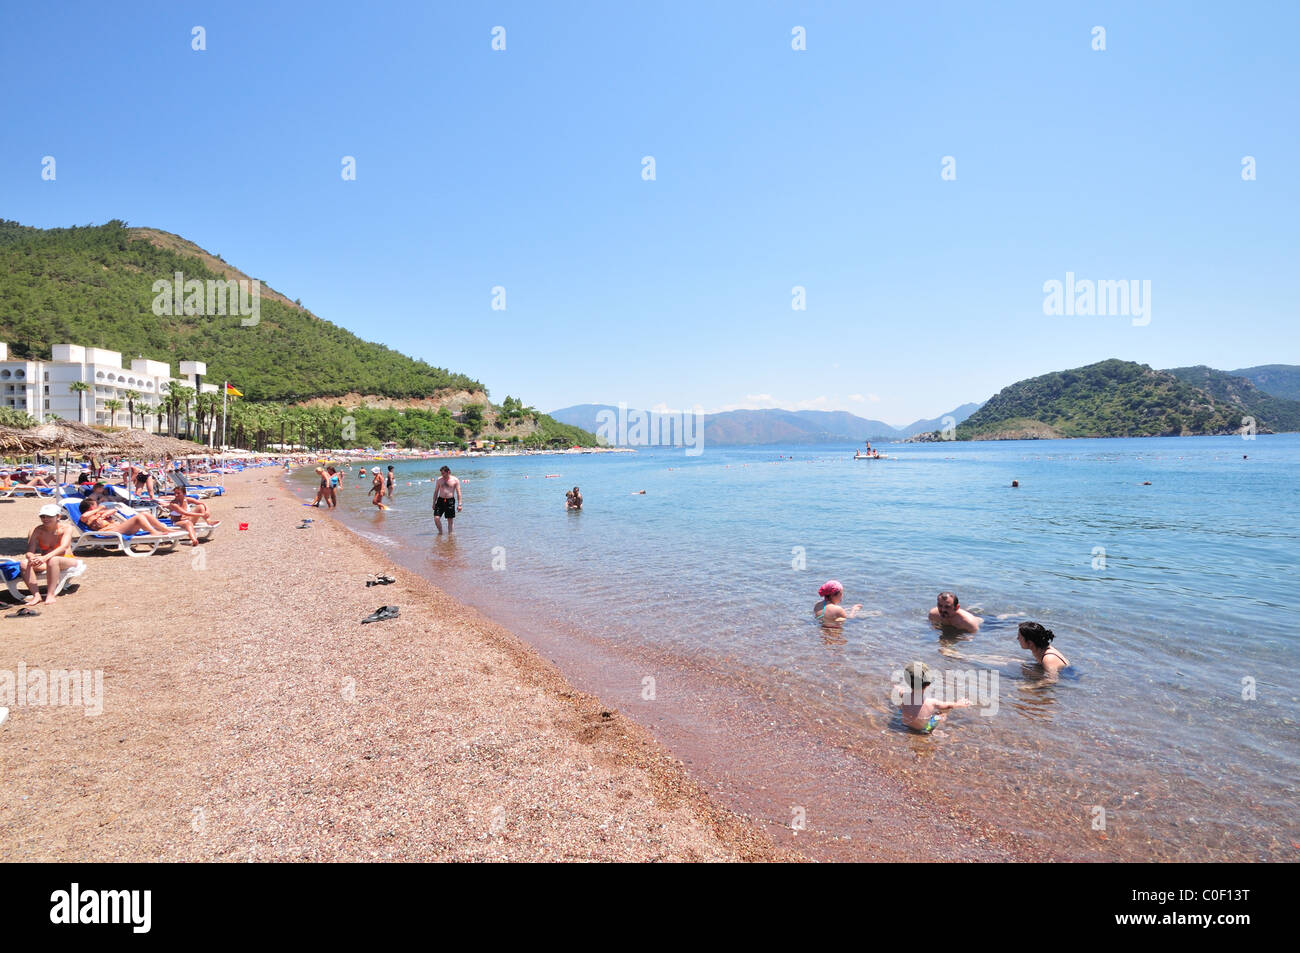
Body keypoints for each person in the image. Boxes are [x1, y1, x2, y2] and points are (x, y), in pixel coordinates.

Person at [19, 504, 78, 606]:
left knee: (53, 560)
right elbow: (29, 551)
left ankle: (50, 594)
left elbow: (63, 547)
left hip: (66, 560)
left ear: (58, 517)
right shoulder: (36, 530)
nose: (45, 519)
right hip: (47, 561)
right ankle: (36, 596)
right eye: (43, 516)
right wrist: (31, 558)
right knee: (24, 563)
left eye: (49, 516)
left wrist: (44, 557)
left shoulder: (66, 528)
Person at [78, 497, 196, 545]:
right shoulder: (86, 517)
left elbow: (113, 510)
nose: (98, 505)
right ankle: (153, 532)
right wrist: (100, 509)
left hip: (117, 529)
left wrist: (105, 513)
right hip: (108, 532)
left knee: (144, 514)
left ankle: (164, 529)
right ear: (90, 507)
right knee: (139, 517)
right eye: (95, 504)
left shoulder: (97, 514)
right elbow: (84, 516)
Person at [897, 661, 972, 734]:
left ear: (908, 682)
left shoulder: (905, 696)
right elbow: (949, 705)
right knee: (941, 713)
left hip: (905, 724)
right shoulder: (931, 702)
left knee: (901, 708)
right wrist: (959, 704)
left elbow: (901, 693)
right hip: (924, 729)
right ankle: (936, 730)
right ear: (928, 684)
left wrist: (899, 689)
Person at [432, 465, 461, 534]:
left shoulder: (455, 480)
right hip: (440, 500)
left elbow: (458, 492)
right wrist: (433, 502)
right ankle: (440, 532)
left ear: (448, 472)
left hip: (450, 501)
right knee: (436, 518)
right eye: (441, 473)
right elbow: (436, 491)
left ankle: (450, 536)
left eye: (443, 473)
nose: (442, 475)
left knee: (450, 520)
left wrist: (459, 504)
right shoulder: (439, 480)